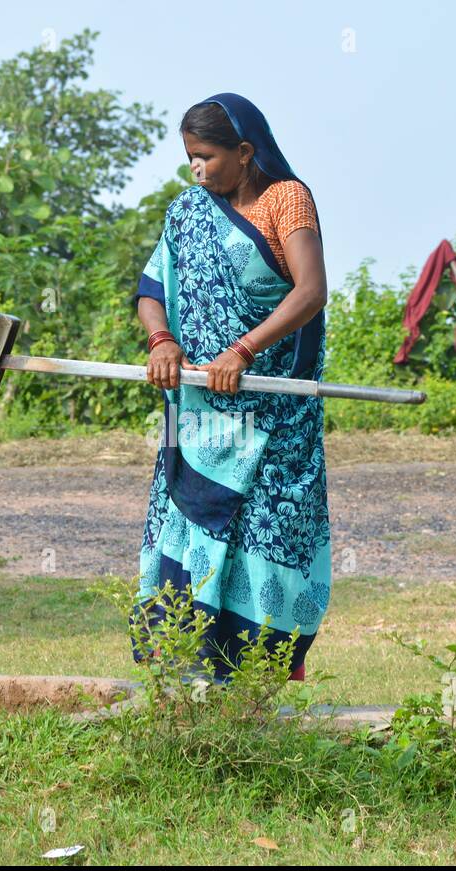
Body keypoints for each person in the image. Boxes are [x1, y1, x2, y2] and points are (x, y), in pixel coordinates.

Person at [131, 92, 331, 683]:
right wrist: (161, 340)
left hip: (274, 418)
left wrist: (242, 349)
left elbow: (310, 289)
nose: (196, 169)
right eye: (190, 157)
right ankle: (183, 681)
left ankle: (251, 686)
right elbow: (152, 288)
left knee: (263, 539)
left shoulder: (285, 200)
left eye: (207, 157)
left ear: (245, 152)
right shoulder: (186, 212)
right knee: (188, 533)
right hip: (198, 420)